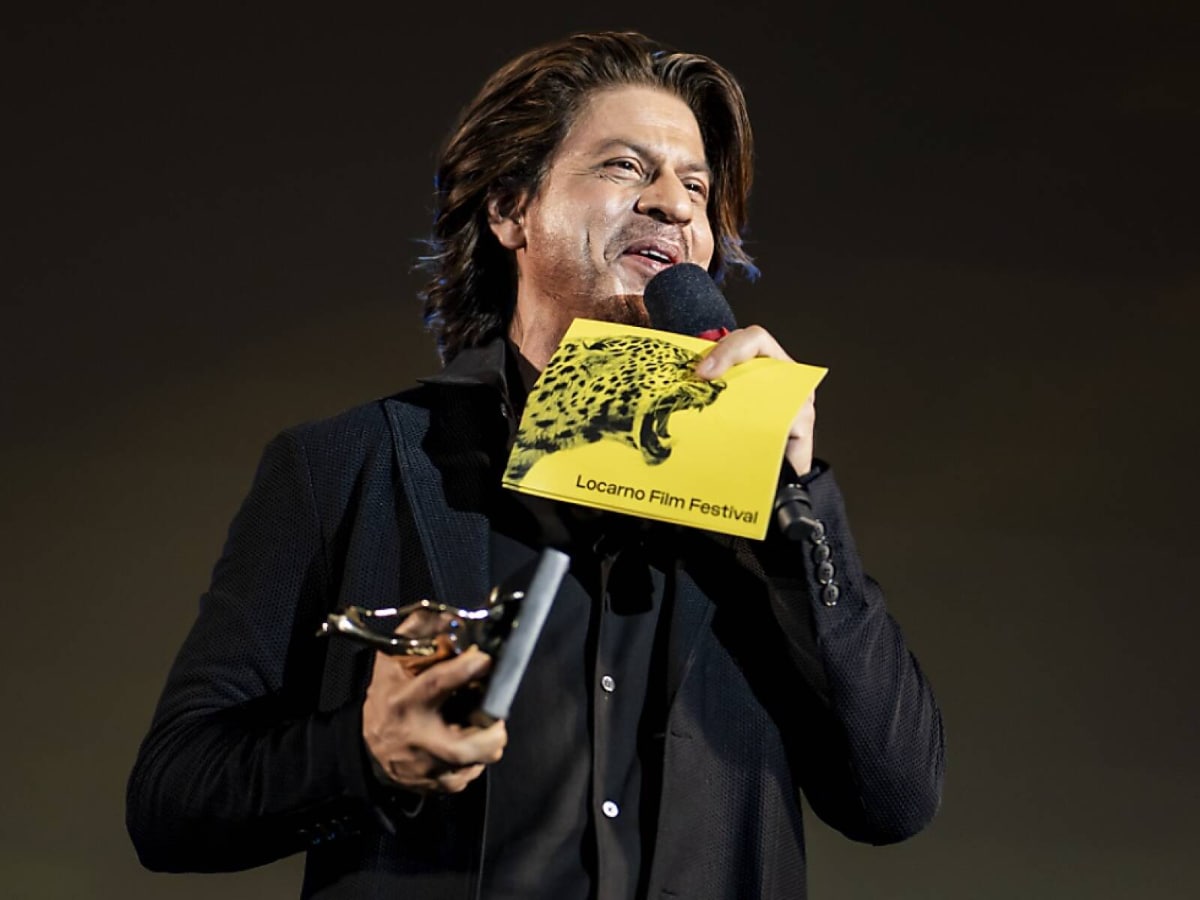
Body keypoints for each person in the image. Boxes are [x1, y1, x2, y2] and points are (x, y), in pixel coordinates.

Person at [127, 31, 944, 900]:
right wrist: (363, 755)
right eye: (626, 167)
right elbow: (172, 799)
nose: (674, 204)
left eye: (697, 187)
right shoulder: (347, 465)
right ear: (512, 209)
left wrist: (795, 503)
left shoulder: (764, 504)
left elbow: (893, 797)